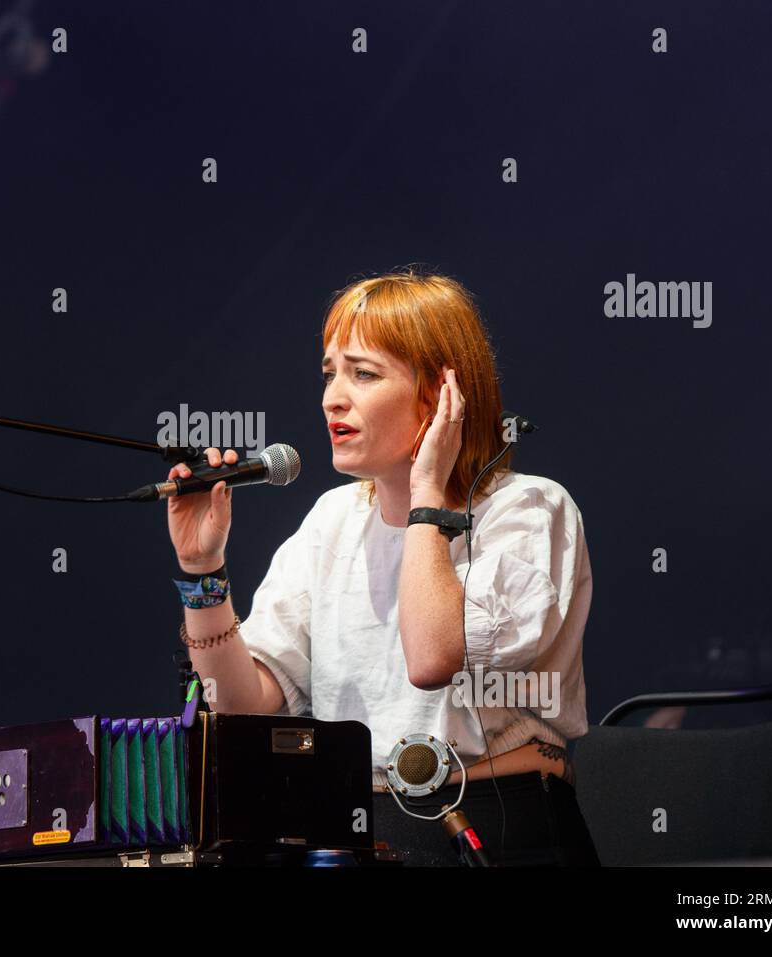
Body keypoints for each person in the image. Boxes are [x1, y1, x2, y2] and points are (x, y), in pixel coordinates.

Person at [166, 269, 600, 866]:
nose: (332, 397)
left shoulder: (528, 508)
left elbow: (430, 660)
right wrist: (203, 568)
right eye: (329, 373)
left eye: (363, 373)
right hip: (354, 835)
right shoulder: (332, 519)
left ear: (441, 392)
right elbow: (242, 706)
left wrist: (426, 495)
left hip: (500, 826)